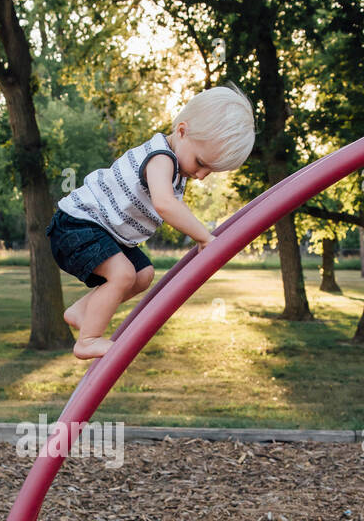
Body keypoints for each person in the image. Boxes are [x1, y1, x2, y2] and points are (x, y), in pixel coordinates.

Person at [47, 83, 255, 359]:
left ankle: (82, 311)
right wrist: (204, 237)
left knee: (143, 275)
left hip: (106, 232)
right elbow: (164, 204)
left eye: (211, 171)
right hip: (78, 224)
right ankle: (87, 340)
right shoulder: (161, 158)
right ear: (182, 131)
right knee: (122, 274)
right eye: (201, 163)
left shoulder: (177, 166)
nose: (202, 175)